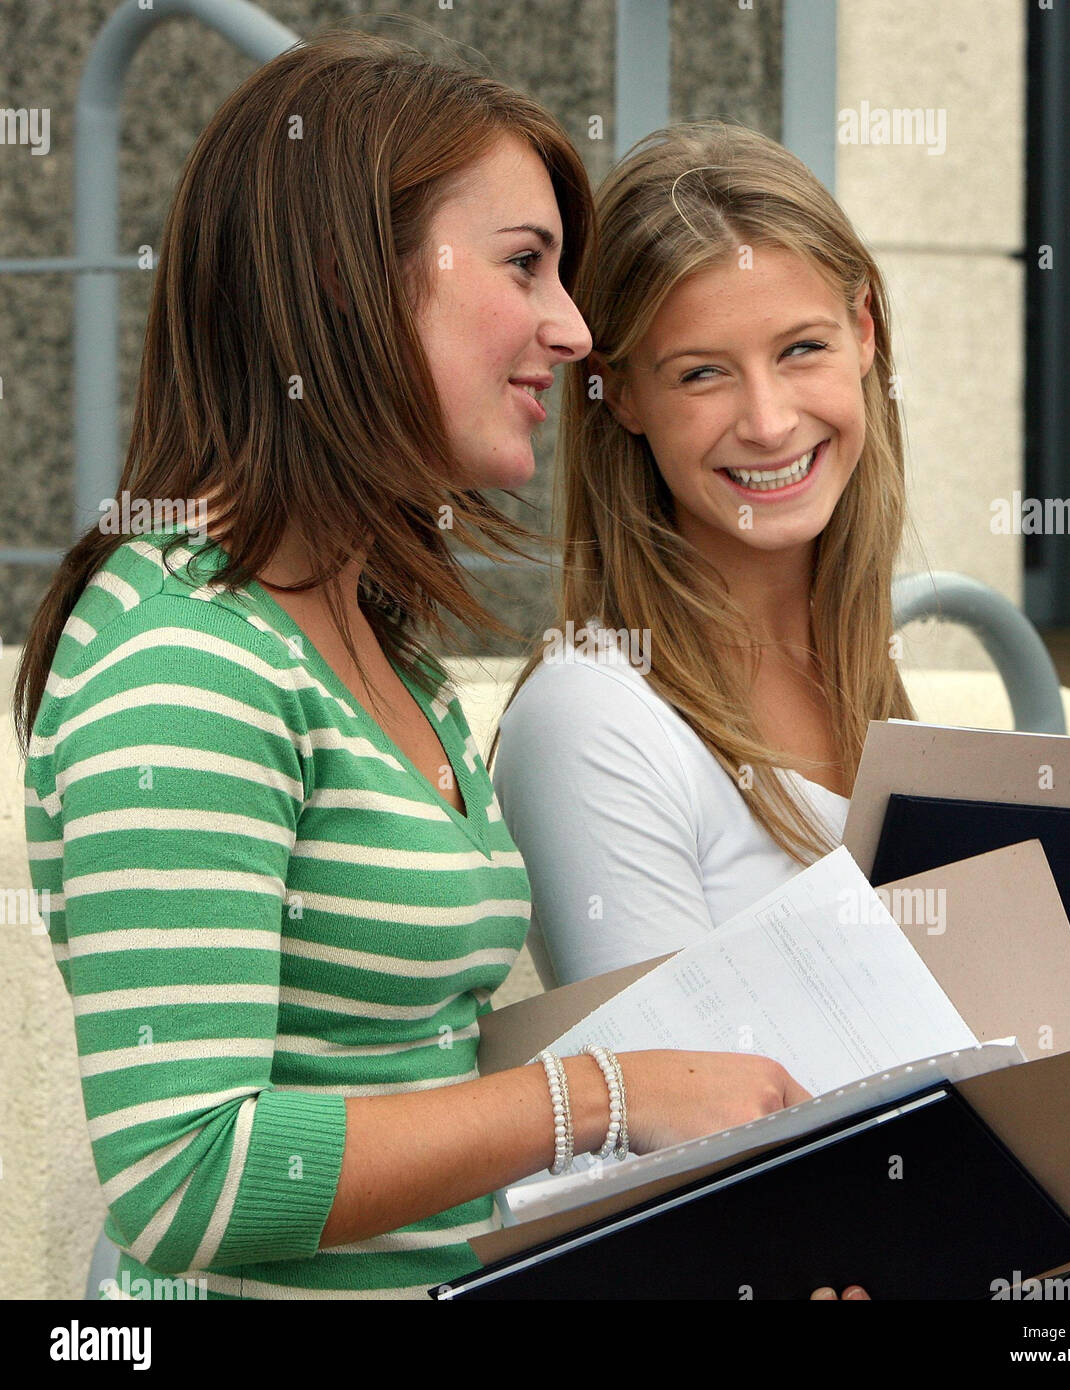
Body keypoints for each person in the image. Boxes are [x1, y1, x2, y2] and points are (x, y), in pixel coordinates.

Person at [15, 38, 819, 1301]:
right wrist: (605, 1096)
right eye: (524, 266)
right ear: (346, 282)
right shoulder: (183, 653)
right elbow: (183, 1175)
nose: (572, 327)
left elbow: (404, 1080)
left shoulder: (365, 632)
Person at [490, 120, 1070, 1195]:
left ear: (865, 330)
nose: (768, 421)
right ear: (619, 395)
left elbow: (931, 1096)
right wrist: (1031, 1165)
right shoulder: (592, 714)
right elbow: (692, 1174)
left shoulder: (876, 688)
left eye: (800, 348)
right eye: (700, 373)